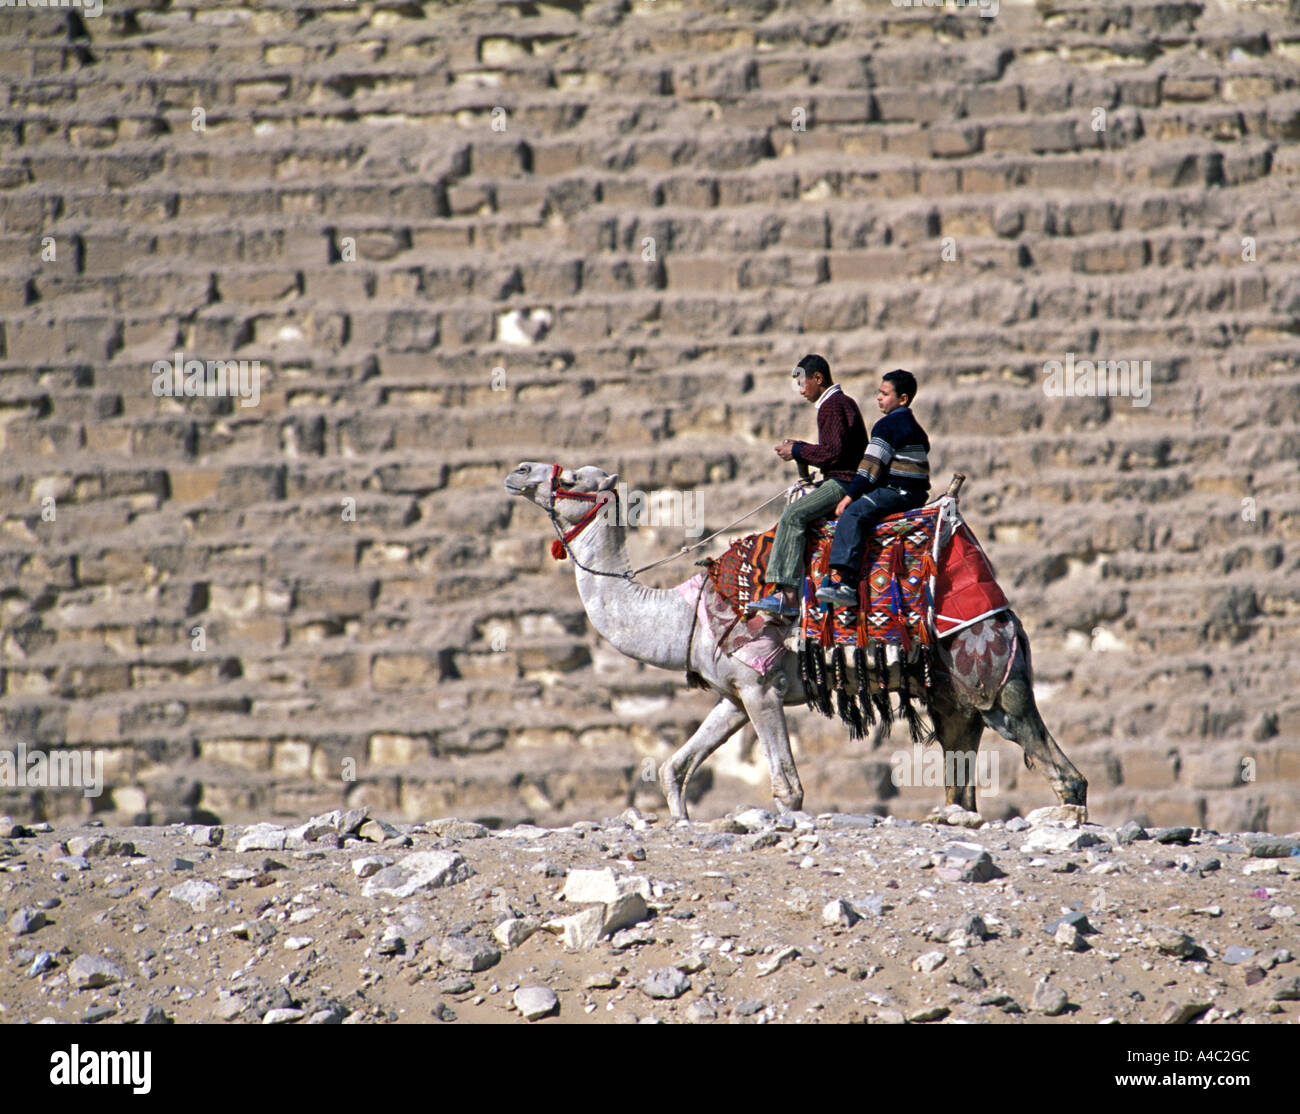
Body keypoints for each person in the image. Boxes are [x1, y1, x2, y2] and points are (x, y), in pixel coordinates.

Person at [747, 354, 867, 621]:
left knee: (793, 515)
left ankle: (787, 595)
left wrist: (797, 449)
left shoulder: (832, 406)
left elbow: (833, 453)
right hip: (843, 475)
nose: (801, 391)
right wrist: (800, 448)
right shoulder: (840, 403)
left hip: (843, 480)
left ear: (818, 379)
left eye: (803, 384)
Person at [815, 369, 931, 611]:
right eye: (879, 392)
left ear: (903, 399)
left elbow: (870, 469)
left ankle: (846, 585)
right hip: (915, 492)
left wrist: (849, 496)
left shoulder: (888, 426)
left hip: (899, 491)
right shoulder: (913, 427)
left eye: (885, 393)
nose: (879, 397)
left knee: (855, 513)